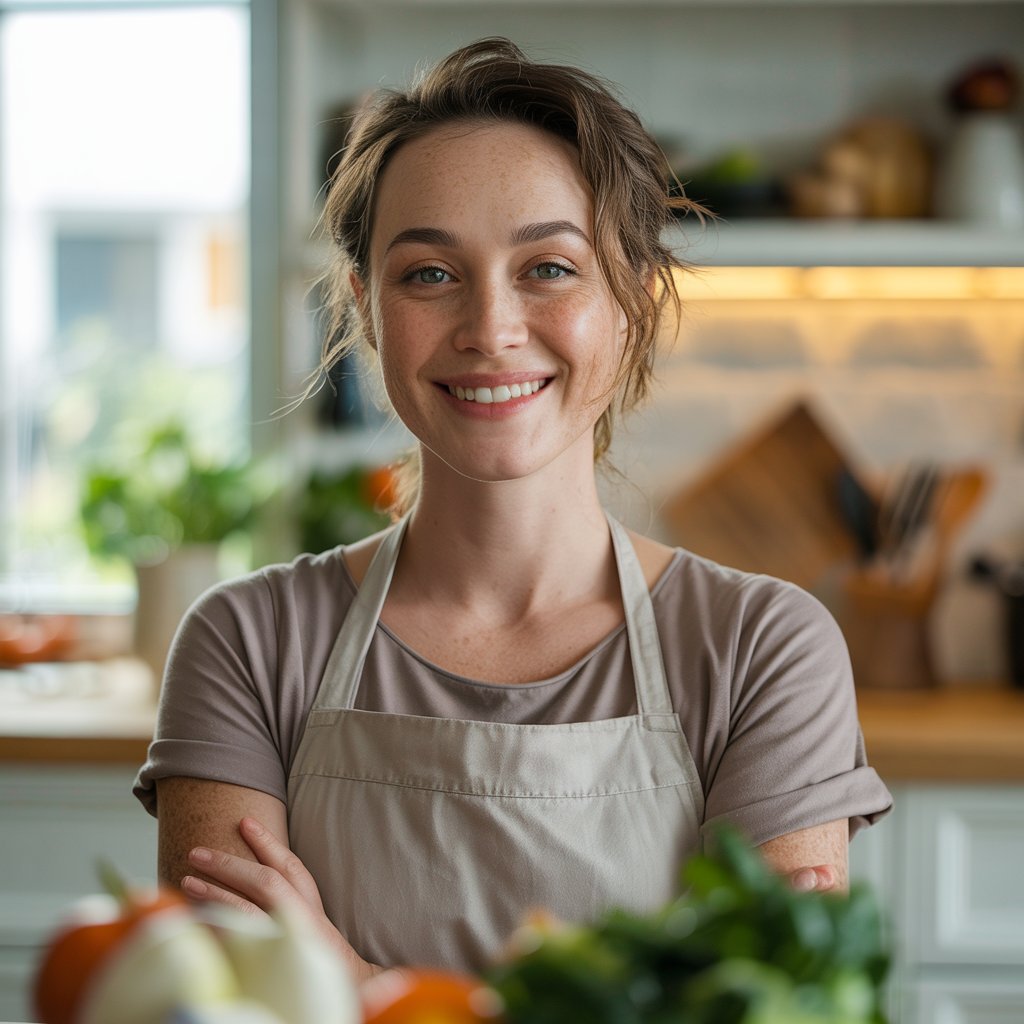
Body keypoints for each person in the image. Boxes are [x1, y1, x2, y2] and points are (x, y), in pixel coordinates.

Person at [134, 38, 892, 980]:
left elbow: (768, 1004)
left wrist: (357, 983)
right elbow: (235, 1000)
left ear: (633, 300)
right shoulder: (249, 643)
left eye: (550, 268)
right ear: (365, 307)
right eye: (429, 273)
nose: (491, 330)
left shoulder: (762, 650)